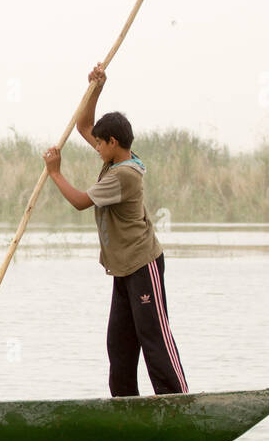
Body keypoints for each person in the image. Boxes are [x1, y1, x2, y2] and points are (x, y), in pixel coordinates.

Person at [41, 63, 188, 397]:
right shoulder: (114, 158)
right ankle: (125, 405)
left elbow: (80, 201)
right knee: (118, 344)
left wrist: (55, 173)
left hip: (142, 264)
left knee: (154, 337)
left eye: (99, 143)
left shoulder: (124, 174)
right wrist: (96, 88)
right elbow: (84, 124)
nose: (95, 146)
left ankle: (177, 400)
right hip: (122, 268)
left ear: (113, 142)